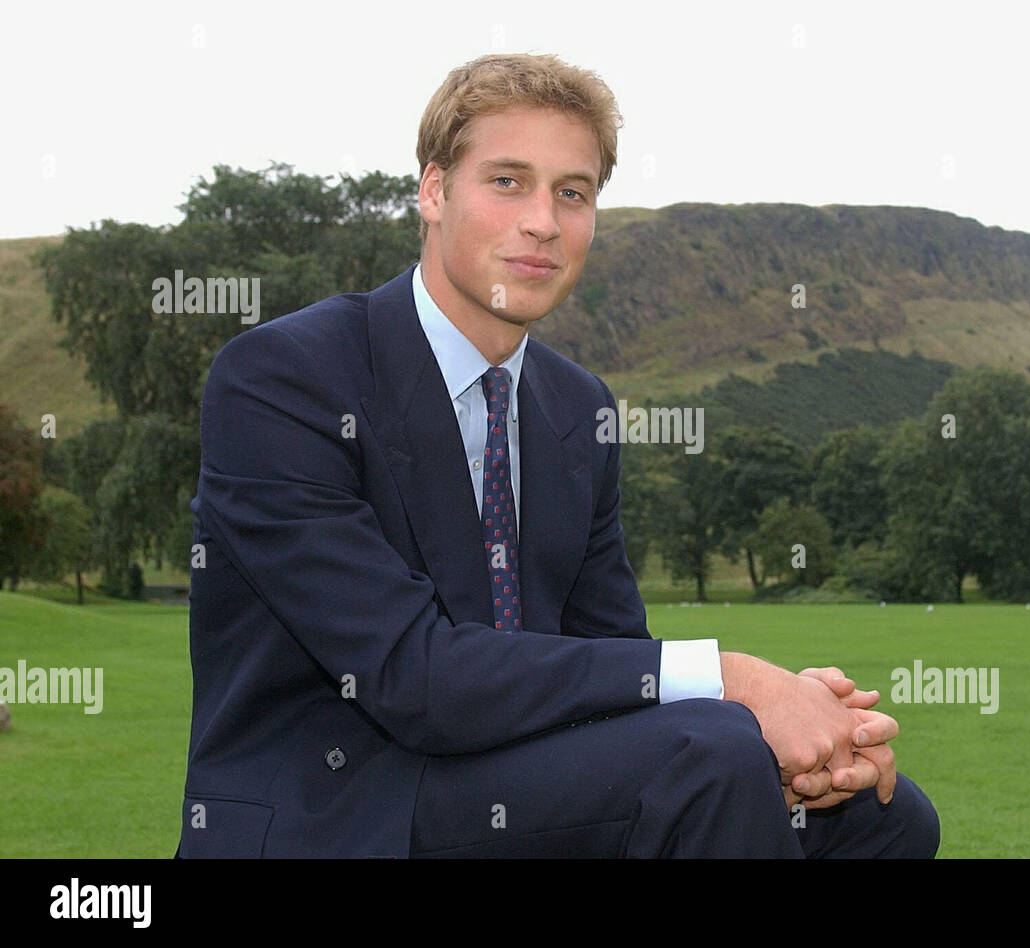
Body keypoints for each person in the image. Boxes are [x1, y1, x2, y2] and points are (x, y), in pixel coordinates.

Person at [177, 52, 939, 858]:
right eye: (507, 181)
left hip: (507, 784)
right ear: (434, 191)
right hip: (341, 804)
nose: (543, 220)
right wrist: (736, 683)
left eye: (572, 192)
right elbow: (411, 676)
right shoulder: (283, 378)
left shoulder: (577, 408)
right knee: (709, 759)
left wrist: (784, 717)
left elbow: (610, 653)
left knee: (883, 817)